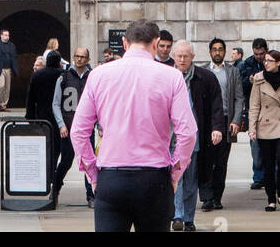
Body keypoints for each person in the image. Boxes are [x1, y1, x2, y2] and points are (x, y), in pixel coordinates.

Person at [70, 19, 197, 233]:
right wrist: (176, 172)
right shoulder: (172, 77)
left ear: (124, 43)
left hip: (112, 177)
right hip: (154, 178)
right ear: (156, 43)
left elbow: (78, 131)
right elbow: (188, 133)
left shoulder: (98, 75)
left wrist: (92, 172)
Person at [171, 40, 224, 233]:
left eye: (186, 56)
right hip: (171, 138)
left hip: (192, 138)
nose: (182, 60)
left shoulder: (205, 77)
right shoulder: (166, 76)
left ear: (192, 57)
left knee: (191, 180)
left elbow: (217, 104)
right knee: (175, 179)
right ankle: (177, 215)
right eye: (179, 56)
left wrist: (217, 128)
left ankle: (188, 218)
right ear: (174, 57)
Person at [248, 48, 280, 212]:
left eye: (269, 60)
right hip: (265, 125)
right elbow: (254, 106)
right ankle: (271, 199)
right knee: (268, 164)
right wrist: (252, 128)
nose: (265, 63)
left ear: (278, 63)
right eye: (265, 60)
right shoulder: (258, 80)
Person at [199, 37, 244, 212]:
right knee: (206, 160)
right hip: (208, 121)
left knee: (221, 162)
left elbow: (239, 98)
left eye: (220, 49)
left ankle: (217, 197)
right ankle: (207, 197)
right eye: (214, 49)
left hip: (226, 120)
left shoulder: (232, 72)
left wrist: (236, 120)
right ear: (210, 52)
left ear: (224, 52)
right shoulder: (203, 71)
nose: (217, 52)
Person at [53, 47, 94, 207]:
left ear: (88, 59)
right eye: (77, 56)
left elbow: (99, 103)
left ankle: (91, 195)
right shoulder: (63, 77)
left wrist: (99, 124)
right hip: (69, 128)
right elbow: (56, 103)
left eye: (83, 57)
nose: (79, 59)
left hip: (87, 128)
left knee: (88, 162)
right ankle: (55, 189)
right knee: (66, 161)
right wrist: (61, 125)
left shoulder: (92, 77)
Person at [239, 37, 269, 189]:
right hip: (254, 108)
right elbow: (240, 86)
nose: (259, 57)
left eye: (261, 54)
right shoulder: (247, 64)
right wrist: (249, 81)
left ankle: (271, 176)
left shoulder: (271, 61)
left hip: (270, 109)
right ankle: (258, 176)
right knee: (255, 146)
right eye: (256, 54)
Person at [26, 50, 64, 126]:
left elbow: (31, 98)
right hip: (60, 114)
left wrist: (30, 116)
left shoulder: (36, 75)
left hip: (42, 114)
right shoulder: (64, 74)